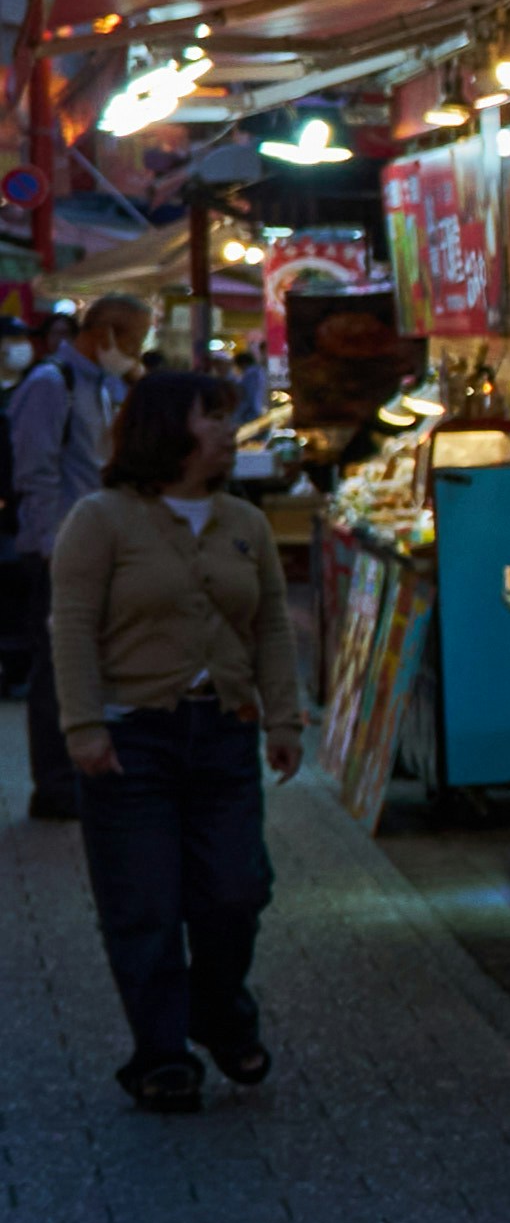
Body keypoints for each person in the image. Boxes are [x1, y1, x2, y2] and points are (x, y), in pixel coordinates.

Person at [53, 366, 297, 1109]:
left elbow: (272, 627)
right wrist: (84, 726)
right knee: (145, 906)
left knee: (236, 890)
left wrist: (283, 718)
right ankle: (161, 1055)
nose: (228, 430)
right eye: (212, 416)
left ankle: (220, 1013)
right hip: (134, 742)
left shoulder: (245, 524)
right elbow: (72, 628)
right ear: (170, 429)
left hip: (222, 734)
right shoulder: (100, 520)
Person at [4, 287, 156, 822]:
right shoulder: (52, 384)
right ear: (104, 334)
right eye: (134, 339)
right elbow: (36, 473)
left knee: (89, 661)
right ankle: (55, 787)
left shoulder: (107, 388)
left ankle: (83, 775)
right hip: (58, 549)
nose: (137, 350)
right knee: (56, 669)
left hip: (94, 544)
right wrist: (50, 546)